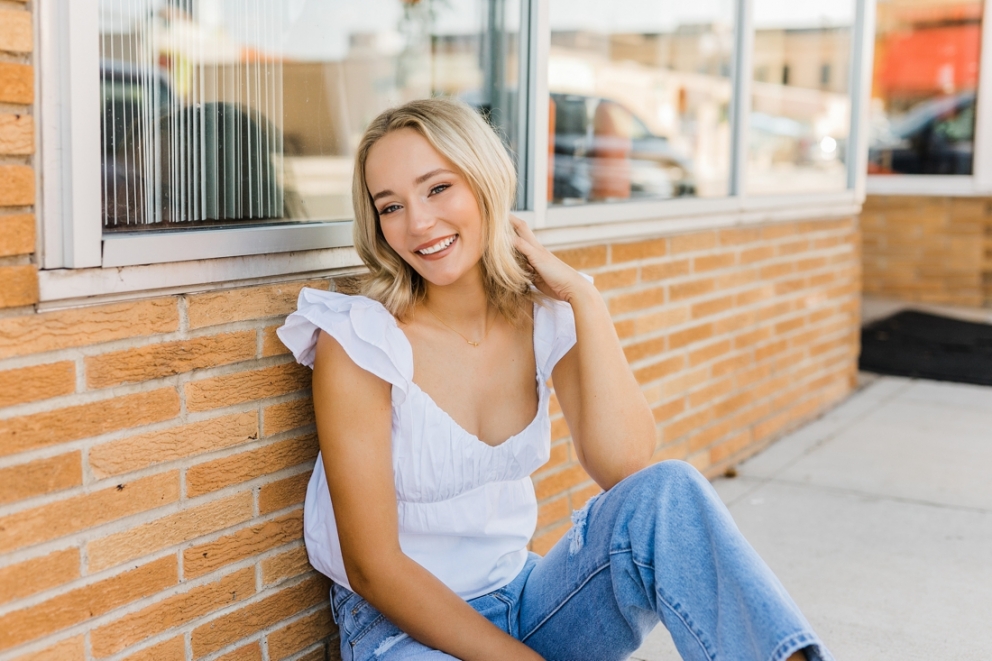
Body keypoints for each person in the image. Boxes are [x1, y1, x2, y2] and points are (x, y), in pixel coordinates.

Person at [278, 97, 832, 661]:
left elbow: (627, 469)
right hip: (401, 629)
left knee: (670, 491)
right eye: (390, 206)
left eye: (438, 188)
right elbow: (374, 568)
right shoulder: (361, 341)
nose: (418, 223)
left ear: (485, 183)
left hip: (527, 600)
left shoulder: (541, 316)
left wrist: (585, 301)